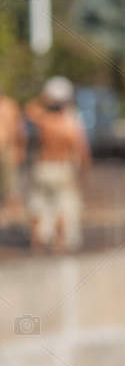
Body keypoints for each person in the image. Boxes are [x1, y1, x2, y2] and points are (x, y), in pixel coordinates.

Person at [24, 75, 91, 252]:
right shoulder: (69, 123)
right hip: (62, 167)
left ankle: (38, 240)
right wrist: (85, 169)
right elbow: (82, 148)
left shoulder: (42, 120)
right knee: (64, 204)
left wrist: (44, 98)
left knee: (39, 204)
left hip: (42, 167)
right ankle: (60, 241)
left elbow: (29, 109)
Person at [0, 87, 27, 223]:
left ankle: (10, 211)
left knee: (9, 181)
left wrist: (20, 148)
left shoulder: (10, 106)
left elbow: (19, 129)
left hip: (7, 148)